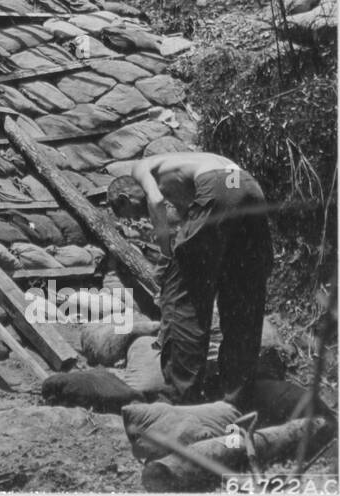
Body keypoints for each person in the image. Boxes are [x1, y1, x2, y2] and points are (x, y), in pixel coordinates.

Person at [107, 151, 273, 407]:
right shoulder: (183, 179)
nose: (139, 219)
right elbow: (199, 229)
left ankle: (182, 396)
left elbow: (156, 201)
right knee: (241, 292)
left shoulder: (141, 169)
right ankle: (236, 398)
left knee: (181, 296)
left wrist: (165, 249)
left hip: (219, 185)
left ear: (124, 197)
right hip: (247, 185)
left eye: (131, 213)